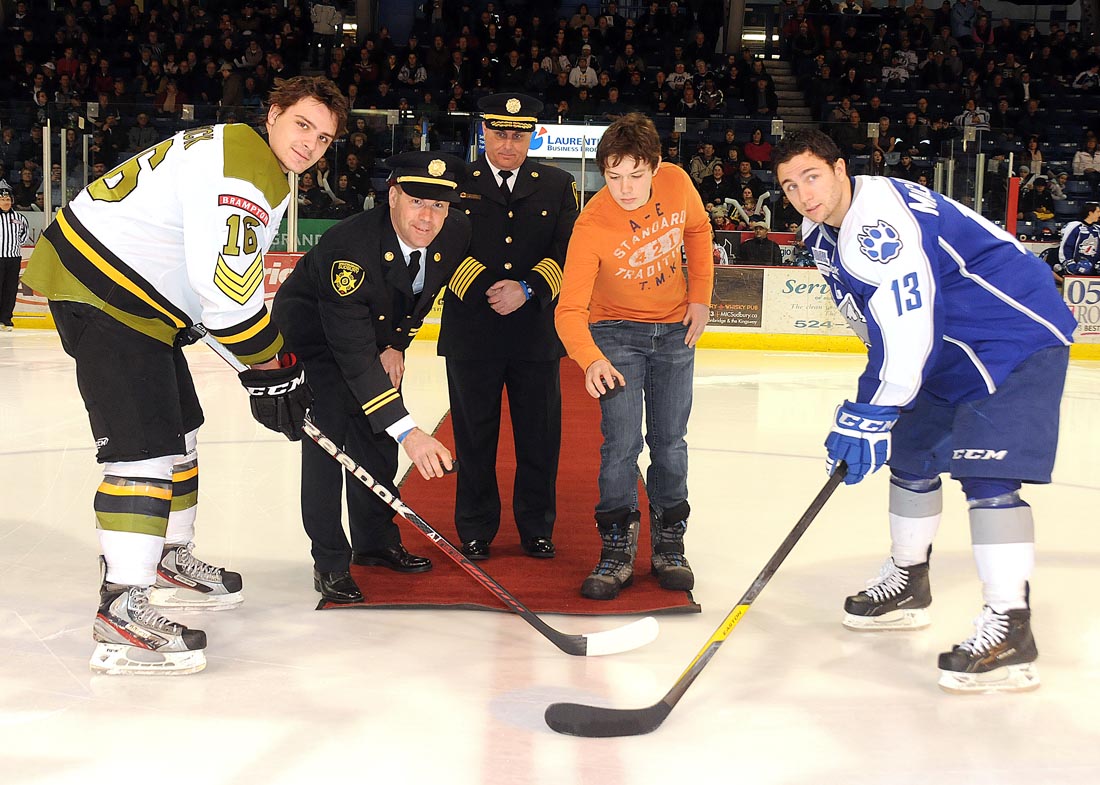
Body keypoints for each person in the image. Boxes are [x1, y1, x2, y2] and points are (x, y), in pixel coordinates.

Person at [21, 76, 347, 675]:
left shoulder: (241, 151)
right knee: (143, 455)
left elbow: (211, 299)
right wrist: (274, 367)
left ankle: (167, 557)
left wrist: (266, 372)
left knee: (183, 435)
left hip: (138, 303)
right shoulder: (247, 174)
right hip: (105, 296)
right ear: (272, 114)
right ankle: (121, 611)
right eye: (302, 125)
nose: (311, 144)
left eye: (324, 137)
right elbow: (225, 298)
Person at [773, 130, 1076, 693]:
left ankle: (1011, 627)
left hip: (1010, 335)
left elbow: (908, 323)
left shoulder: (876, 221)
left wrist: (876, 407)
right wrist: (872, 406)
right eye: (790, 184)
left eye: (812, 176)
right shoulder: (821, 236)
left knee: (988, 476)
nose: (802, 193)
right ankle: (909, 580)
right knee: (911, 458)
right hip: (945, 350)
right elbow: (879, 329)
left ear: (841, 169)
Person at [273, 152, 469, 604]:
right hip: (314, 342)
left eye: (438, 206)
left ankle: (374, 542)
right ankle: (329, 563)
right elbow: (352, 355)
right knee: (330, 447)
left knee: (376, 444)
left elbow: (421, 294)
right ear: (393, 196)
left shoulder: (455, 231)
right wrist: (411, 433)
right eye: (417, 201)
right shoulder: (350, 250)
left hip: (375, 336)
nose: (427, 217)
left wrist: (397, 343)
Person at [555, 112, 713, 600]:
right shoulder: (592, 223)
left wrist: (701, 298)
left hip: (673, 335)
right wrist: (591, 359)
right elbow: (568, 310)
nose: (624, 188)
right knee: (620, 447)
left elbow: (699, 232)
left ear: (656, 166)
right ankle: (617, 545)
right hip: (614, 335)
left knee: (670, 443)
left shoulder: (678, 183)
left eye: (635, 175)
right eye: (613, 175)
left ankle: (669, 542)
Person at [438, 93, 579, 561]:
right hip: (471, 329)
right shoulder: (458, 181)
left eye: (518, 134)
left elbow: (567, 250)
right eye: (499, 133)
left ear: (532, 136)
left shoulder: (558, 184)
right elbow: (439, 238)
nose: (508, 143)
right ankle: (475, 529)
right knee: (474, 436)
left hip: (534, 331)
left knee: (539, 437)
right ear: (484, 133)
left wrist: (528, 287)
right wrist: (484, 287)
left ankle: (536, 528)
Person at [0, 180, 31, 331]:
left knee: (10, 289)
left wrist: (15, 243)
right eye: (2, 199)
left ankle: (6, 319)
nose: (5, 202)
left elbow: (25, 236)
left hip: (13, 257)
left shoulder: (20, 218)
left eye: (7, 199)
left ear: (11, 201)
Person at [1058, 201, 1100, 276]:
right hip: (1077, 268)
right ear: (1090, 213)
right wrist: (1068, 263)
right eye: (1098, 212)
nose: (1099, 214)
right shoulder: (1074, 226)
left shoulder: (1098, 229)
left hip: (1094, 269)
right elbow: (1066, 247)